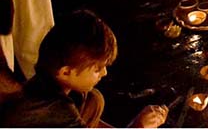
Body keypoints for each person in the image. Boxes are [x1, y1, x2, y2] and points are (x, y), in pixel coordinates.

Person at [0, 9, 169, 127]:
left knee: (93, 101)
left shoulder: (46, 82)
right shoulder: (55, 111)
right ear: (66, 72)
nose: (104, 73)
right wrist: (138, 126)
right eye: (97, 69)